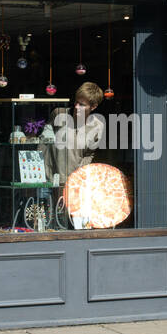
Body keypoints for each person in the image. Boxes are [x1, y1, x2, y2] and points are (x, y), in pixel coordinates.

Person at [53, 82, 106, 229]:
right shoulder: (59, 114)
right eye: (76, 102)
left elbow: (89, 154)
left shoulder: (97, 126)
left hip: (76, 183)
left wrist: (78, 178)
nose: (76, 106)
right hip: (52, 180)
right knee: (52, 224)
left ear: (93, 107)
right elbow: (43, 143)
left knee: (75, 226)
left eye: (82, 105)